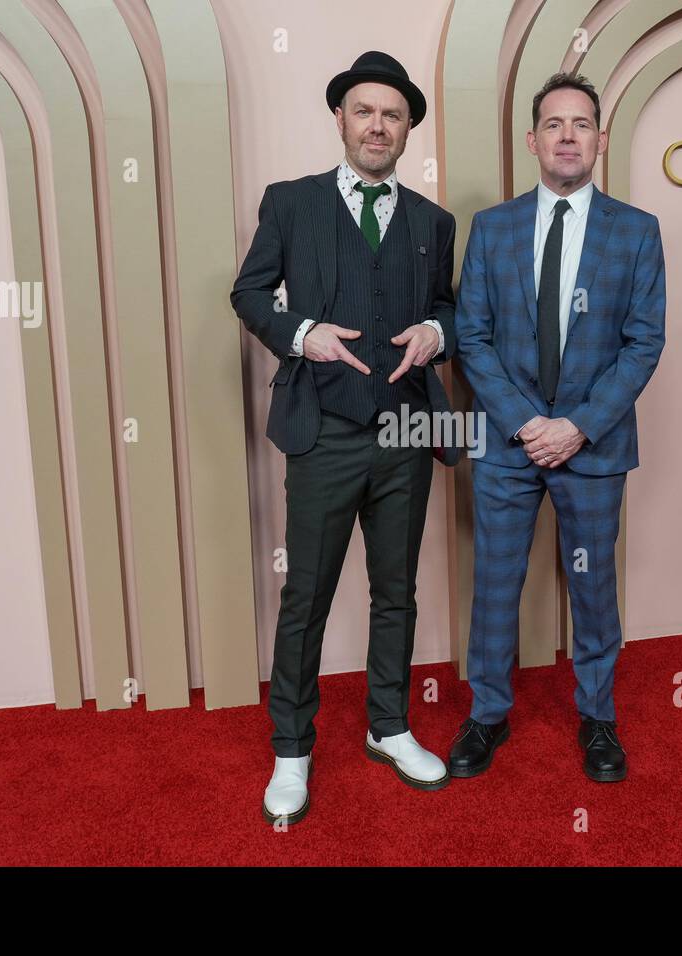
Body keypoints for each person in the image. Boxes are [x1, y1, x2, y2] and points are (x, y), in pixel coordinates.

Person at [231, 51, 459, 825]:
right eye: (364, 111)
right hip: (322, 431)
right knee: (307, 600)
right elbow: (248, 291)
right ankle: (292, 748)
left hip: (406, 428)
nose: (377, 125)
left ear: (406, 132)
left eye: (392, 115)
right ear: (340, 118)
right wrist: (302, 333)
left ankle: (389, 727)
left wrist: (435, 330)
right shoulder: (291, 203)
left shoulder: (433, 222)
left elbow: (451, 310)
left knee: (397, 592)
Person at [448, 71, 666, 783]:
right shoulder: (494, 228)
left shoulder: (637, 232)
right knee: (496, 584)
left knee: (593, 587)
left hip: (593, 448)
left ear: (600, 140)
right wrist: (526, 424)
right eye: (554, 124)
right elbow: (472, 338)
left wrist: (575, 426)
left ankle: (597, 717)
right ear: (533, 139)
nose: (567, 136)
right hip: (510, 447)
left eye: (580, 125)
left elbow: (643, 342)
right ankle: (487, 714)